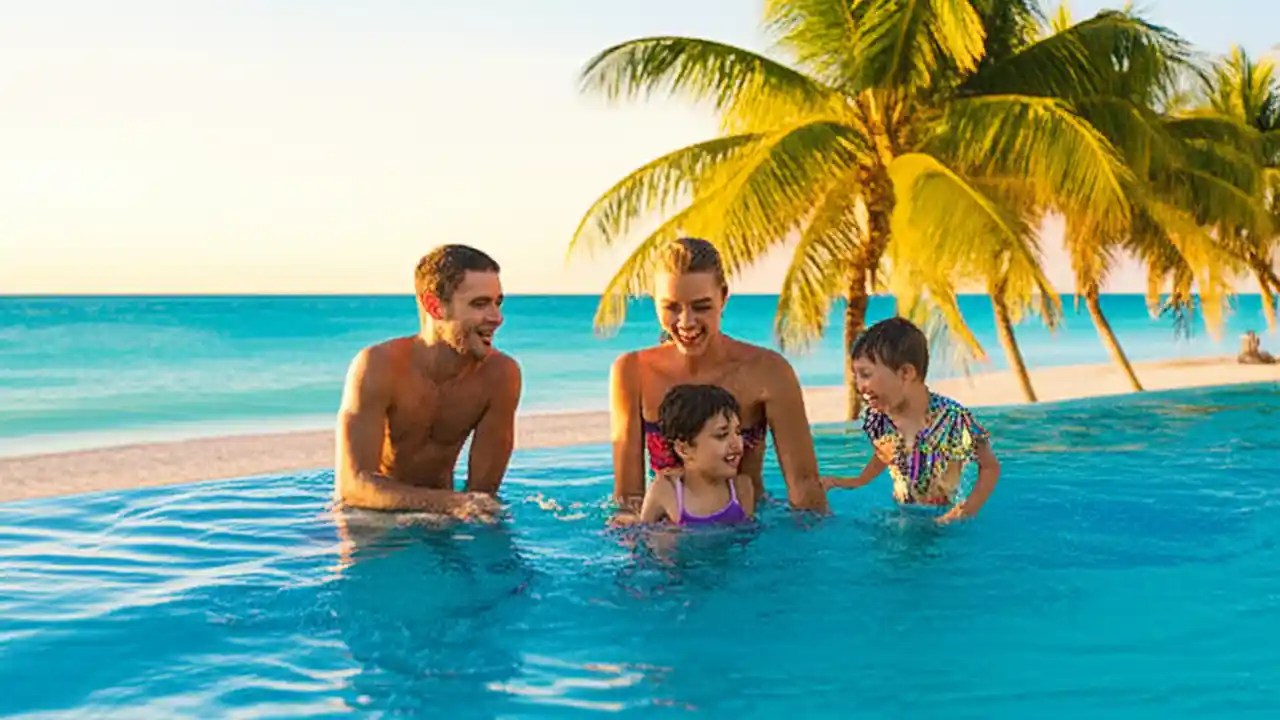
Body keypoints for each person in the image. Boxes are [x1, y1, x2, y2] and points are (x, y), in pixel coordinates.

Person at [609, 237, 828, 516]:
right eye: (671, 307)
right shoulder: (632, 372)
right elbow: (629, 498)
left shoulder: (768, 372)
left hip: (747, 533)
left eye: (701, 307)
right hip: (670, 537)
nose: (686, 322)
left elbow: (804, 486)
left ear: (723, 297)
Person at [334, 243, 522, 518]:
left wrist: (457, 511)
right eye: (480, 304)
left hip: (444, 518)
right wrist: (451, 504)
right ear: (434, 306)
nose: (497, 318)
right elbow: (353, 486)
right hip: (369, 517)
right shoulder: (378, 366)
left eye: (497, 302)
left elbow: (482, 495)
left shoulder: (501, 376)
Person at [821, 317, 1000, 524]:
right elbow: (886, 453)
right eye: (856, 377)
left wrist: (965, 510)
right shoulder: (877, 417)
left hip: (943, 522)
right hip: (902, 515)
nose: (860, 386)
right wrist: (853, 482)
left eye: (866, 374)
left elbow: (990, 467)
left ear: (906, 373)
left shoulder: (952, 419)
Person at [638, 384, 755, 526]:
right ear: (684, 449)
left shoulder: (741, 488)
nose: (736, 443)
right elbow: (642, 539)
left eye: (738, 432)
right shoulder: (666, 491)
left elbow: (747, 539)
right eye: (722, 435)